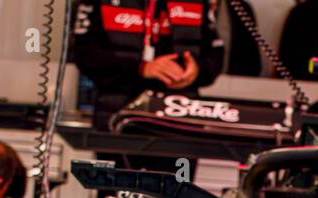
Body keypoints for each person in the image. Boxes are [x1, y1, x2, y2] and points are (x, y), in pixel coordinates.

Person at [70, 0, 226, 122]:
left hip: (181, 115)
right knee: (115, 162)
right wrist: (141, 68)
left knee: (181, 162)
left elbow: (215, 53)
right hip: (115, 114)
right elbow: (84, 54)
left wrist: (197, 71)